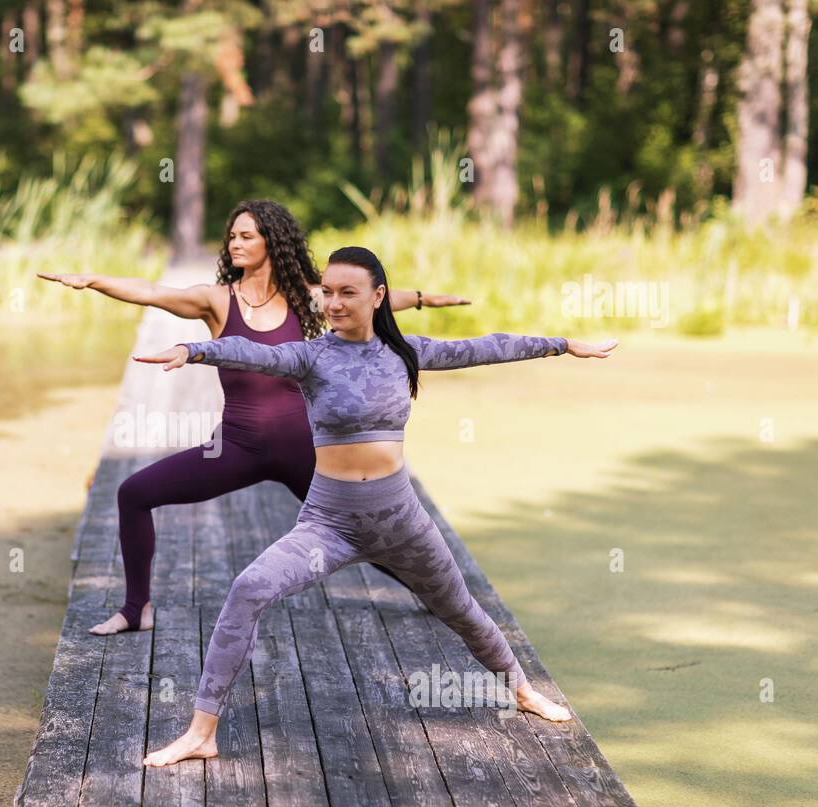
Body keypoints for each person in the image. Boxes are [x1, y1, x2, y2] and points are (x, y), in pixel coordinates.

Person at [133, 245, 618, 767]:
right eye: (327, 292)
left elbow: (487, 347)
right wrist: (194, 350)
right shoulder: (311, 355)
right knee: (249, 588)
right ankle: (201, 733)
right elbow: (254, 353)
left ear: (378, 295)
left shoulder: (405, 352)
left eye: (348, 292)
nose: (333, 303)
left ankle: (523, 690)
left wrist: (564, 344)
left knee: (460, 608)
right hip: (329, 524)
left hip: (400, 522)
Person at [39, 198, 469, 637]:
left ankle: (439, 596)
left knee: (366, 532)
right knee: (133, 493)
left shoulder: (307, 298)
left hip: (304, 447)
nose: (235, 244)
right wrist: (93, 281)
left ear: (272, 241)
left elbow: (362, 300)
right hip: (235, 447)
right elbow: (152, 291)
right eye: (232, 236)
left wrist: (421, 299)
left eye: (247, 236)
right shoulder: (217, 301)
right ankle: (135, 609)